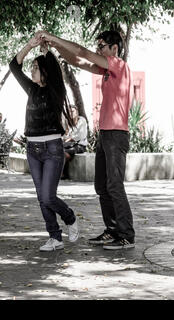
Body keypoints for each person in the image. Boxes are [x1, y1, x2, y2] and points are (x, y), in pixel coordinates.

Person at [38, 30, 135, 250]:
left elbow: (82, 52)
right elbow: (77, 59)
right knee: (101, 185)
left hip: (117, 134)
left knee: (115, 186)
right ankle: (112, 231)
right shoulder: (106, 71)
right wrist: (55, 47)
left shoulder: (119, 65)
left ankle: (126, 234)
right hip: (105, 134)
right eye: (98, 46)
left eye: (102, 46)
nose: (98, 49)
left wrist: (52, 37)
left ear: (114, 48)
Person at [9, 36, 79, 251]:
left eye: (36, 68)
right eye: (32, 68)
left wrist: (46, 50)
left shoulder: (56, 90)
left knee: (48, 196)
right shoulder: (31, 89)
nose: (32, 71)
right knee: (42, 198)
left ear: (46, 71)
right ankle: (55, 237)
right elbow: (14, 66)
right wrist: (29, 46)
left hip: (52, 149)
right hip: (33, 149)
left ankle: (70, 218)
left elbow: (56, 72)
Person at [61, 104, 88, 180]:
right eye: (69, 112)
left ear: (77, 112)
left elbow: (81, 136)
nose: (71, 113)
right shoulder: (66, 122)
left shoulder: (82, 120)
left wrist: (70, 139)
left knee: (64, 153)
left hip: (80, 145)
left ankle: (62, 174)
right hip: (68, 145)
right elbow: (63, 136)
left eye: (72, 111)